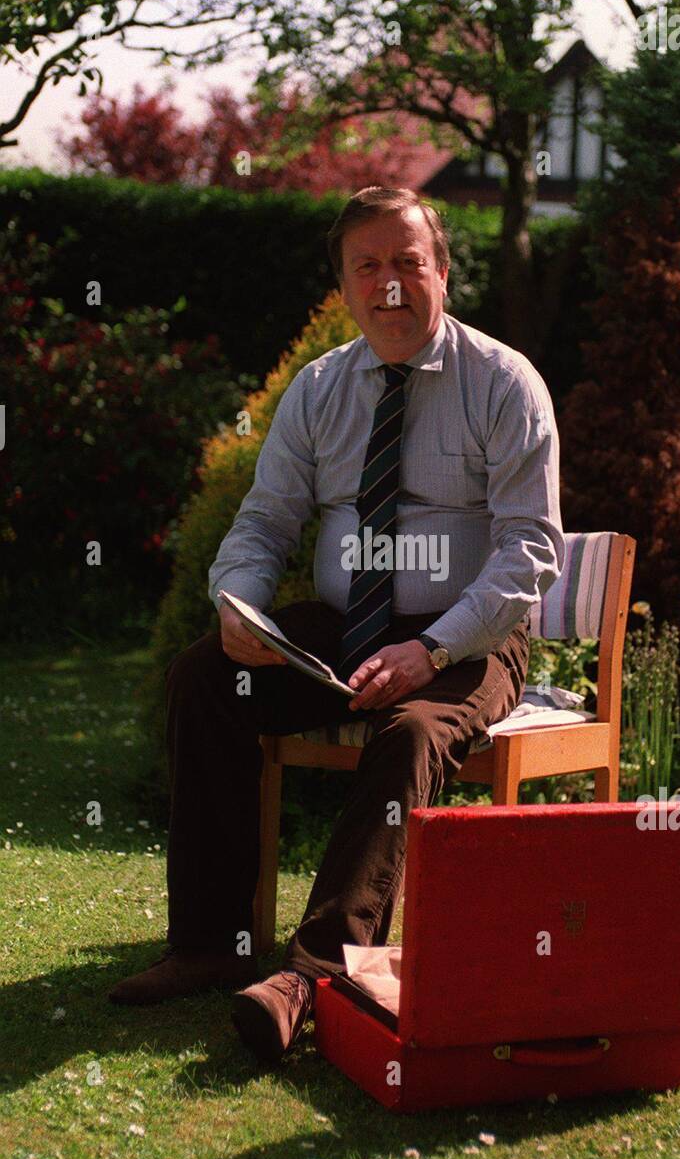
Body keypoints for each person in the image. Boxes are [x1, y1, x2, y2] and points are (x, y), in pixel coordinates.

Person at [109, 186, 565, 1067]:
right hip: (346, 624)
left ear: (440, 272)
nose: (389, 284)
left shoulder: (505, 383)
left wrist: (430, 647)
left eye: (407, 263)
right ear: (346, 287)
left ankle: (311, 975)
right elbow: (265, 519)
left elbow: (528, 551)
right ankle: (209, 944)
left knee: (410, 729)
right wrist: (238, 606)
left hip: (467, 635)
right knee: (206, 678)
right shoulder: (319, 391)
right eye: (369, 267)